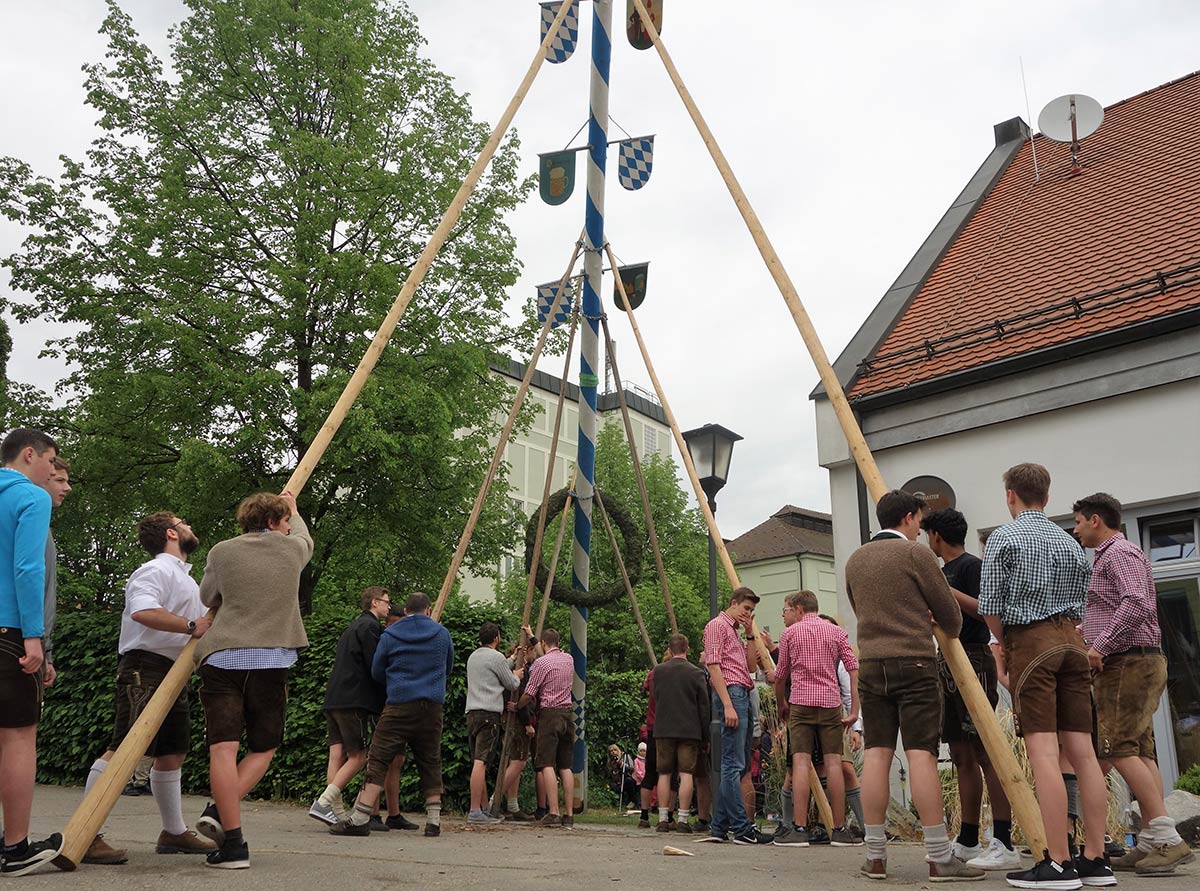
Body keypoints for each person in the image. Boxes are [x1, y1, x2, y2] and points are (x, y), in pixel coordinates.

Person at [979, 464, 1113, 889]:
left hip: (1032, 643)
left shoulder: (1005, 536)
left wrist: (1008, 650)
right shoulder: (1070, 541)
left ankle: (1057, 862)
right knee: (1083, 753)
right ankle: (1095, 858)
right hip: (1072, 643)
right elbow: (1082, 601)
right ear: (1048, 498)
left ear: (1011, 495)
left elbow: (990, 608)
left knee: (1043, 753)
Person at [846, 489, 983, 882]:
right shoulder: (915, 554)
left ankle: (875, 856)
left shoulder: (856, 559)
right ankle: (939, 855)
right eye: (919, 523)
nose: (921, 531)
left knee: (877, 754)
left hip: (871, 663)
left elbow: (860, 609)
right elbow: (950, 616)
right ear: (907, 518)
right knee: (921, 755)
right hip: (915, 661)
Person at [81, 512, 215, 865]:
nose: (189, 524)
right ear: (171, 533)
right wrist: (191, 625)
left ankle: (173, 832)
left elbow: (205, 625)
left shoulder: (188, 579)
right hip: (146, 667)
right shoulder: (154, 570)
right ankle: (85, 833)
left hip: (175, 671)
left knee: (172, 753)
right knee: (123, 748)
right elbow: (142, 611)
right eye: (183, 521)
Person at [1073, 493, 1192, 876]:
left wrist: (1099, 646)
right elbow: (1119, 606)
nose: (1075, 529)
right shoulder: (1120, 553)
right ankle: (1149, 841)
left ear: (1095, 520)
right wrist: (1082, 632)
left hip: (1127, 662)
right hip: (1137, 659)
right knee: (1140, 751)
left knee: (1118, 746)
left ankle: (1169, 839)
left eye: (1077, 521)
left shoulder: (1116, 553)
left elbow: (1137, 602)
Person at [194, 491, 312, 869]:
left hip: (221, 658)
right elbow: (304, 539)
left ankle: (234, 845)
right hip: (270, 660)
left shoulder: (221, 551)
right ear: (278, 521)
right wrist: (295, 508)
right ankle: (218, 809)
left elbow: (207, 594)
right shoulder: (292, 550)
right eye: (285, 520)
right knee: (263, 748)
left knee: (222, 750)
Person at [921, 508, 1019, 871]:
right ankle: (967, 837)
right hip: (946, 659)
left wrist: (945, 593)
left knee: (985, 749)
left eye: (927, 534)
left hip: (973, 657)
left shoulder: (970, 566)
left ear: (937, 536)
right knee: (960, 752)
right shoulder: (941, 570)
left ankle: (1004, 837)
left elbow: (984, 611)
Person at [330, 592, 453, 839]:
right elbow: (448, 667)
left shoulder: (391, 634)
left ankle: (361, 817)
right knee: (430, 759)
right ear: (428, 610)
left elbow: (377, 670)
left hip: (399, 704)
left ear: (406, 611)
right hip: (432, 706)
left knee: (379, 756)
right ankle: (433, 821)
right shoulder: (442, 634)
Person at [0, 428, 63, 877]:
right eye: (50, 460)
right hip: (10, 631)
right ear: (29, 454)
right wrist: (34, 637)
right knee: (17, 737)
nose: (51, 471)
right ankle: (16, 847)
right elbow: (28, 566)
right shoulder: (32, 498)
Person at [772, 590, 860, 848]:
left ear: (799, 608)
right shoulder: (836, 632)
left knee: (800, 763)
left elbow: (780, 676)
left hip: (800, 703)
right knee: (833, 763)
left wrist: (781, 705)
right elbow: (853, 669)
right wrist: (853, 711)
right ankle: (840, 829)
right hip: (831, 704)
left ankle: (799, 829)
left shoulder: (790, 634)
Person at [309, 586, 392, 827]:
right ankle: (324, 802)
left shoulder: (352, 627)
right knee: (357, 756)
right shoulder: (371, 627)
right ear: (374, 603)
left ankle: (335, 810)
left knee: (337, 754)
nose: (388, 606)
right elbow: (374, 666)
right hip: (354, 699)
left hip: (334, 698)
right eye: (386, 602)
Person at [701, 586, 772, 845]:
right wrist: (728, 705)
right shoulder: (717, 626)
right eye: (745, 609)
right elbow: (713, 665)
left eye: (751, 611)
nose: (748, 614)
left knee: (739, 763)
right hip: (731, 694)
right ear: (733, 604)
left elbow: (751, 667)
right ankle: (743, 828)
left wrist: (751, 634)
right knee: (732, 763)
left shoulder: (734, 630)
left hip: (742, 691)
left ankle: (720, 827)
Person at [464, 621, 523, 823]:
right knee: (482, 762)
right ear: (496, 639)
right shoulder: (496, 657)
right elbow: (512, 683)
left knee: (476, 761)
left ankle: (483, 808)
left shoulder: (473, 657)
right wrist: (516, 674)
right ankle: (475, 811)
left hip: (472, 712)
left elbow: (494, 669)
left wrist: (513, 658)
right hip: (489, 714)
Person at [650, 633, 709, 834]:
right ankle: (683, 819)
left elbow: (656, 697)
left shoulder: (658, 671)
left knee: (664, 773)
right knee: (686, 774)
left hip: (664, 728)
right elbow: (704, 706)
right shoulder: (696, 673)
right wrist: (705, 734)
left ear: (669, 649)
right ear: (687, 649)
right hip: (689, 730)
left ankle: (663, 818)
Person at [518, 627, 575, 828]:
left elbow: (530, 692)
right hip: (568, 714)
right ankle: (569, 813)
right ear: (557, 642)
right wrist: (533, 637)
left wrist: (517, 705)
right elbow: (549, 659)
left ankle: (553, 812)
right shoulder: (568, 659)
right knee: (565, 766)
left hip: (549, 715)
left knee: (546, 763)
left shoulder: (541, 663)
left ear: (543, 643)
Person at [39, 456, 71, 691]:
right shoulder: (35, 526)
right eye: (59, 480)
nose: (67, 488)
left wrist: (47, 654)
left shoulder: (44, 528)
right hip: (20, 643)